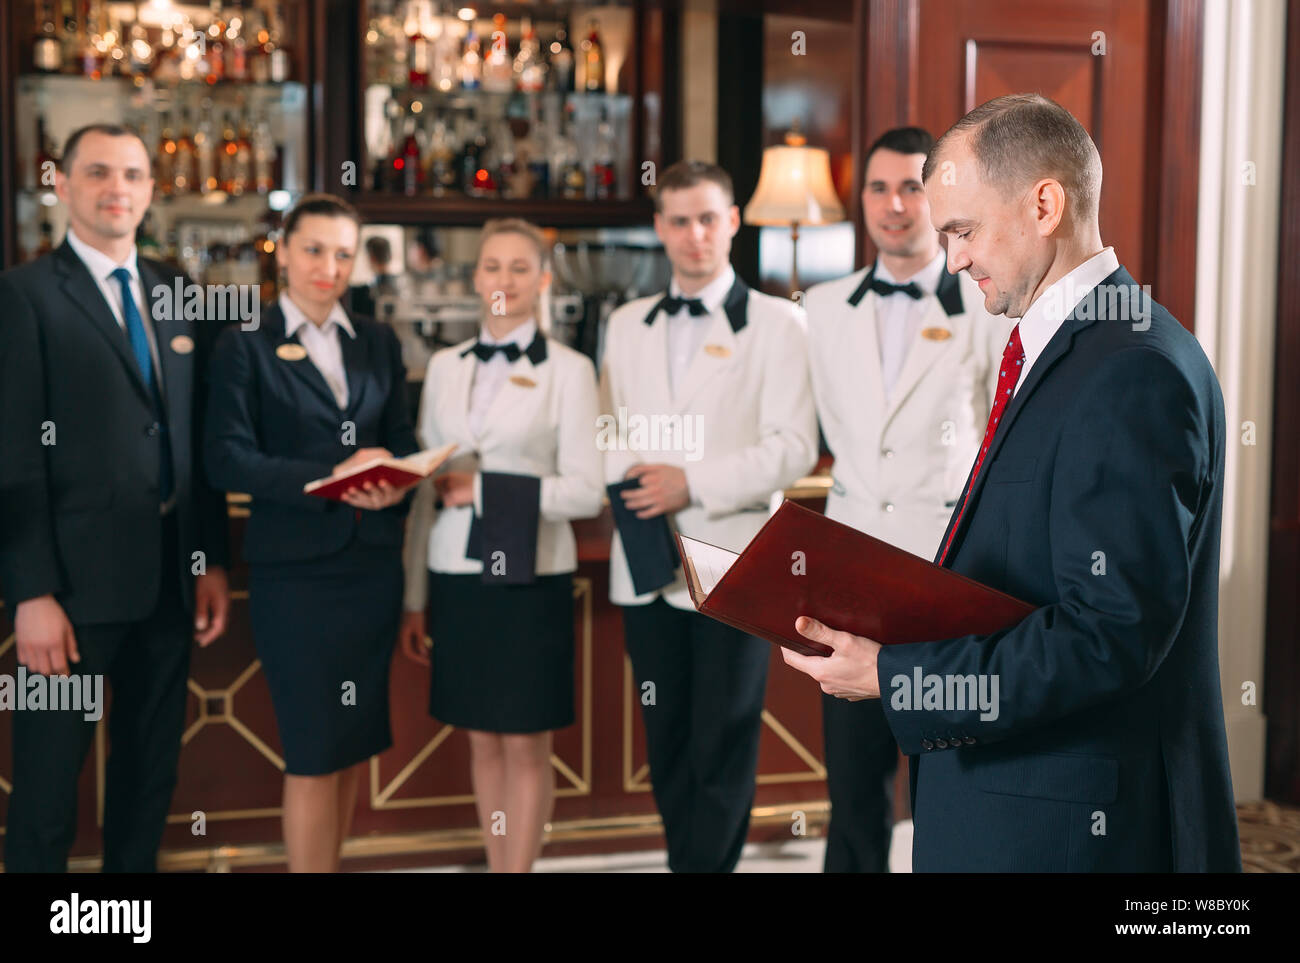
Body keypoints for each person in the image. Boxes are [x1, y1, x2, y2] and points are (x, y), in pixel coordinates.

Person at [782, 94, 1241, 872]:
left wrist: (901, 681)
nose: (953, 258)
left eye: (962, 231)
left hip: (1065, 828)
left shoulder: (1130, 370)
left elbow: (1109, 636)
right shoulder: (1093, 341)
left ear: (1044, 204)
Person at [0, 123, 230, 872]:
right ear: (60, 185)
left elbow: (195, 443)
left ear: (151, 191)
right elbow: (13, 457)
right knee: (45, 791)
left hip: (167, 582)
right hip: (66, 598)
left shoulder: (174, 291)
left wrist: (208, 559)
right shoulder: (24, 294)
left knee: (146, 779)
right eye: (97, 172)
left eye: (132, 174)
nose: (117, 188)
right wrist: (30, 591)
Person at [803, 127, 1013, 873]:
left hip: (947, 577)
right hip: (848, 578)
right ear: (861, 200)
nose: (895, 206)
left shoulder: (985, 299)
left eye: (913, 187)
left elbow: (1001, 445)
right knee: (854, 790)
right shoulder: (820, 308)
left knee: (946, 786)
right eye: (879, 188)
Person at [600, 160, 819, 872]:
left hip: (733, 558)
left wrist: (689, 481)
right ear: (660, 229)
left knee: (722, 741)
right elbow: (608, 427)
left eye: (709, 218)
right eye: (679, 220)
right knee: (664, 739)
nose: (695, 234)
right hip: (646, 558)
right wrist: (626, 478)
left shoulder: (781, 322)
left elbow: (794, 448)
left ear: (732, 222)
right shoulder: (625, 323)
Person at [204, 193, 420, 872]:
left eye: (344, 252)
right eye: (314, 249)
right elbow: (227, 459)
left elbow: (403, 443)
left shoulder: (379, 341)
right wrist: (333, 468)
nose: (329, 265)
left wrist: (394, 482)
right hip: (296, 577)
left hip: (371, 570)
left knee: (351, 743)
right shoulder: (244, 344)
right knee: (312, 749)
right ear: (284, 252)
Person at [399, 217, 603, 873]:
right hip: (457, 571)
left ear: (543, 280)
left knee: (525, 740)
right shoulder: (443, 366)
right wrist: (414, 595)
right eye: (492, 266)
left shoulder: (571, 371)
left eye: (520, 268)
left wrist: (488, 490)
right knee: (480, 734)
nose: (504, 280)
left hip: (532, 574)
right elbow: (429, 492)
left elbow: (584, 491)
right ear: (474, 276)